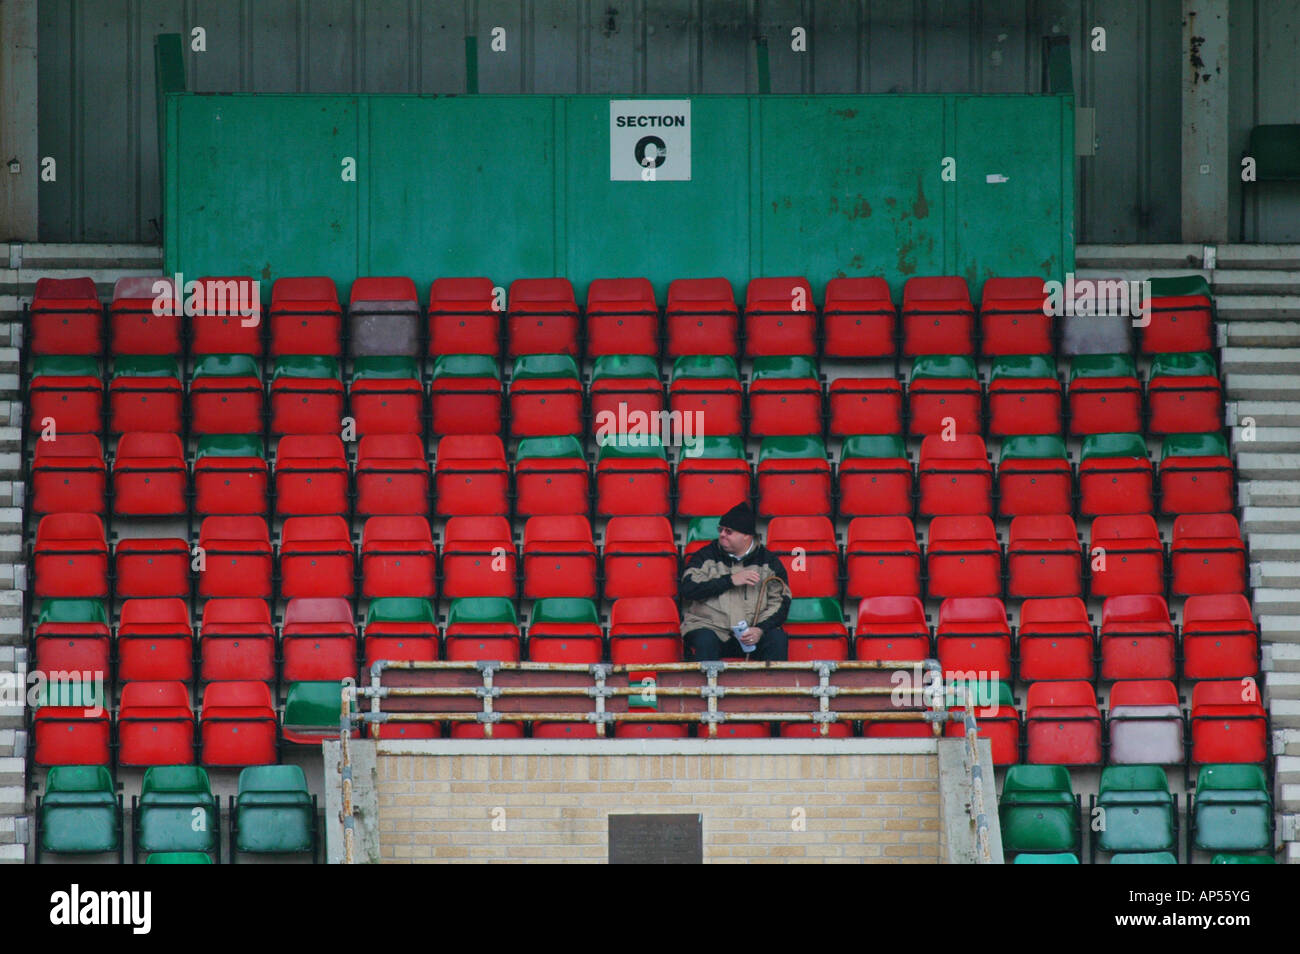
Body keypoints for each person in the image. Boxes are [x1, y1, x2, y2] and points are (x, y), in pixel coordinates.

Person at [680, 501, 790, 661]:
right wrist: (730, 580)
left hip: (752, 633)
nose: (722, 534)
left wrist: (760, 629)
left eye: (729, 531)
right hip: (711, 629)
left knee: (777, 639)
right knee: (704, 641)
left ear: (746, 535)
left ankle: (772, 686)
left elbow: (781, 603)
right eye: (720, 530)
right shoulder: (705, 556)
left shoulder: (769, 562)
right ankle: (705, 686)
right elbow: (687, 589)